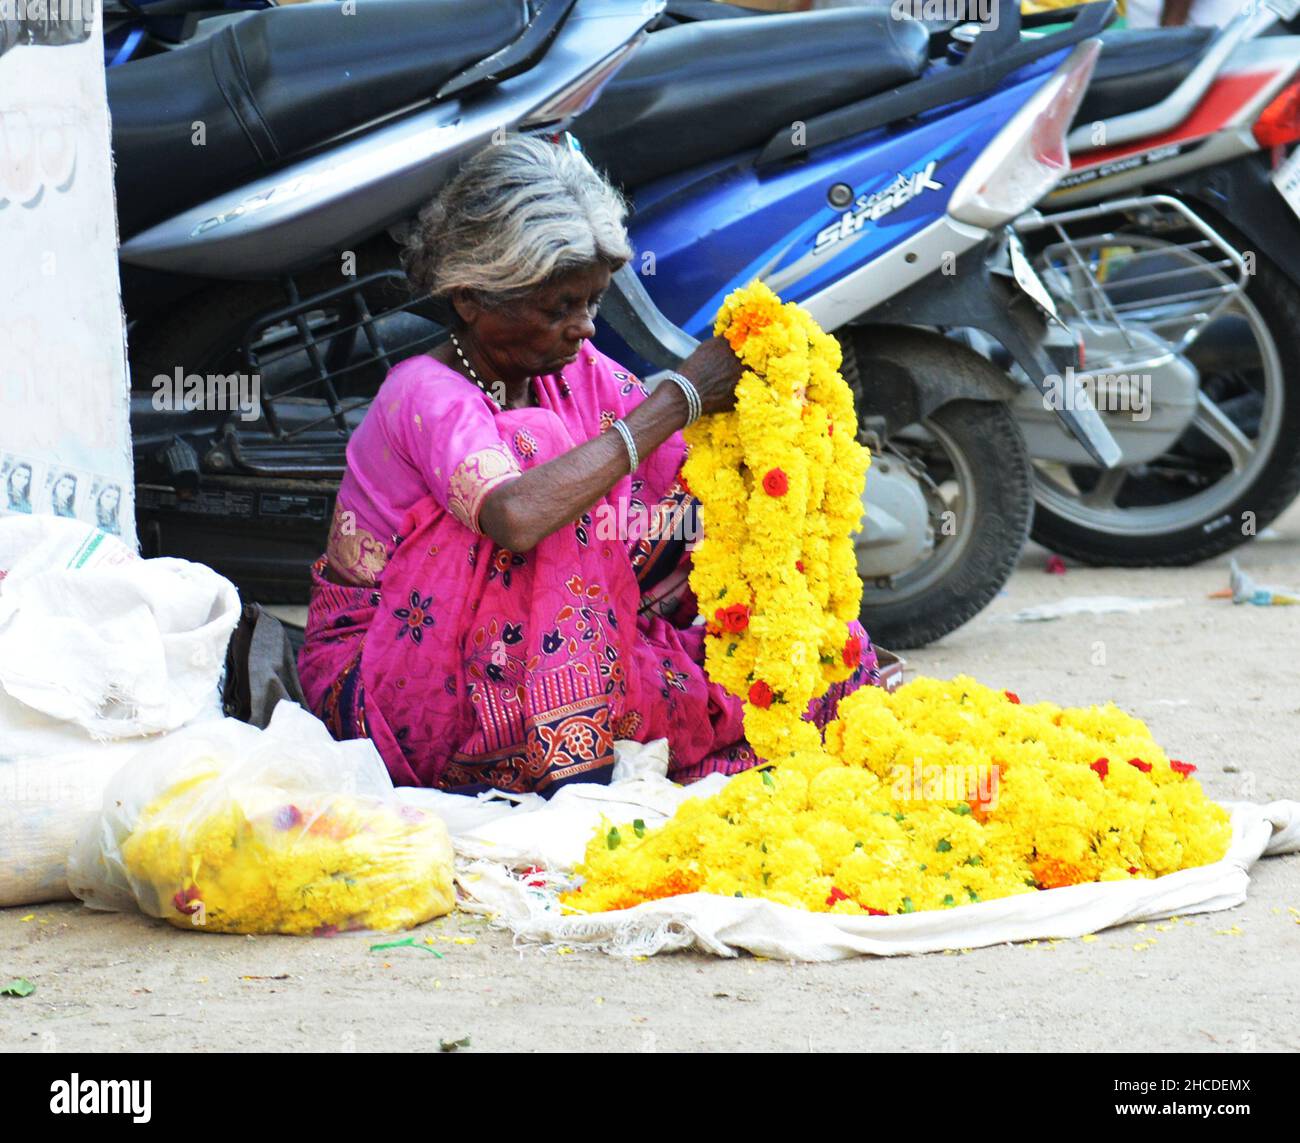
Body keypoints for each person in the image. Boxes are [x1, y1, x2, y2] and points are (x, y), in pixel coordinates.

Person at [297, 135, 881, 796]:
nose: (584, 329)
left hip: (542, 660)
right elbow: (515, 514)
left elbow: (681, 483)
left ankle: (576, 718)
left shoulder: (572, 371)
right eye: (559, 309)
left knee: (802, 664)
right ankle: (561, 737)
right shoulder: (421, 393)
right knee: (541, 449)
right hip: (391, 682)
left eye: (591, 304)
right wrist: (679, 397)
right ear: (470, 299)